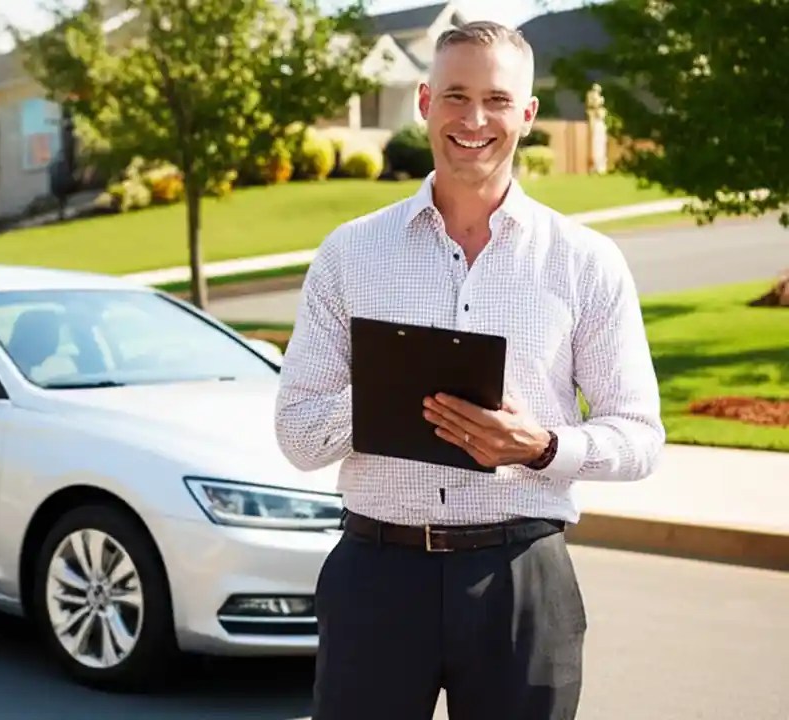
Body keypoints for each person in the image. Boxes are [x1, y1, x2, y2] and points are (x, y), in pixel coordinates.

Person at [274, 20, 665, 720]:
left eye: (496, 99)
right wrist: (387, 393)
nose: (474, 119)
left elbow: (640, 437)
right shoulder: (349, 254)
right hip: (376, 578)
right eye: (455, 95)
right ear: (425, 102)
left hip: (522, 579)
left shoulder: (586, 261)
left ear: (527, 114)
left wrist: (542, 446)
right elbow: (299, 435)